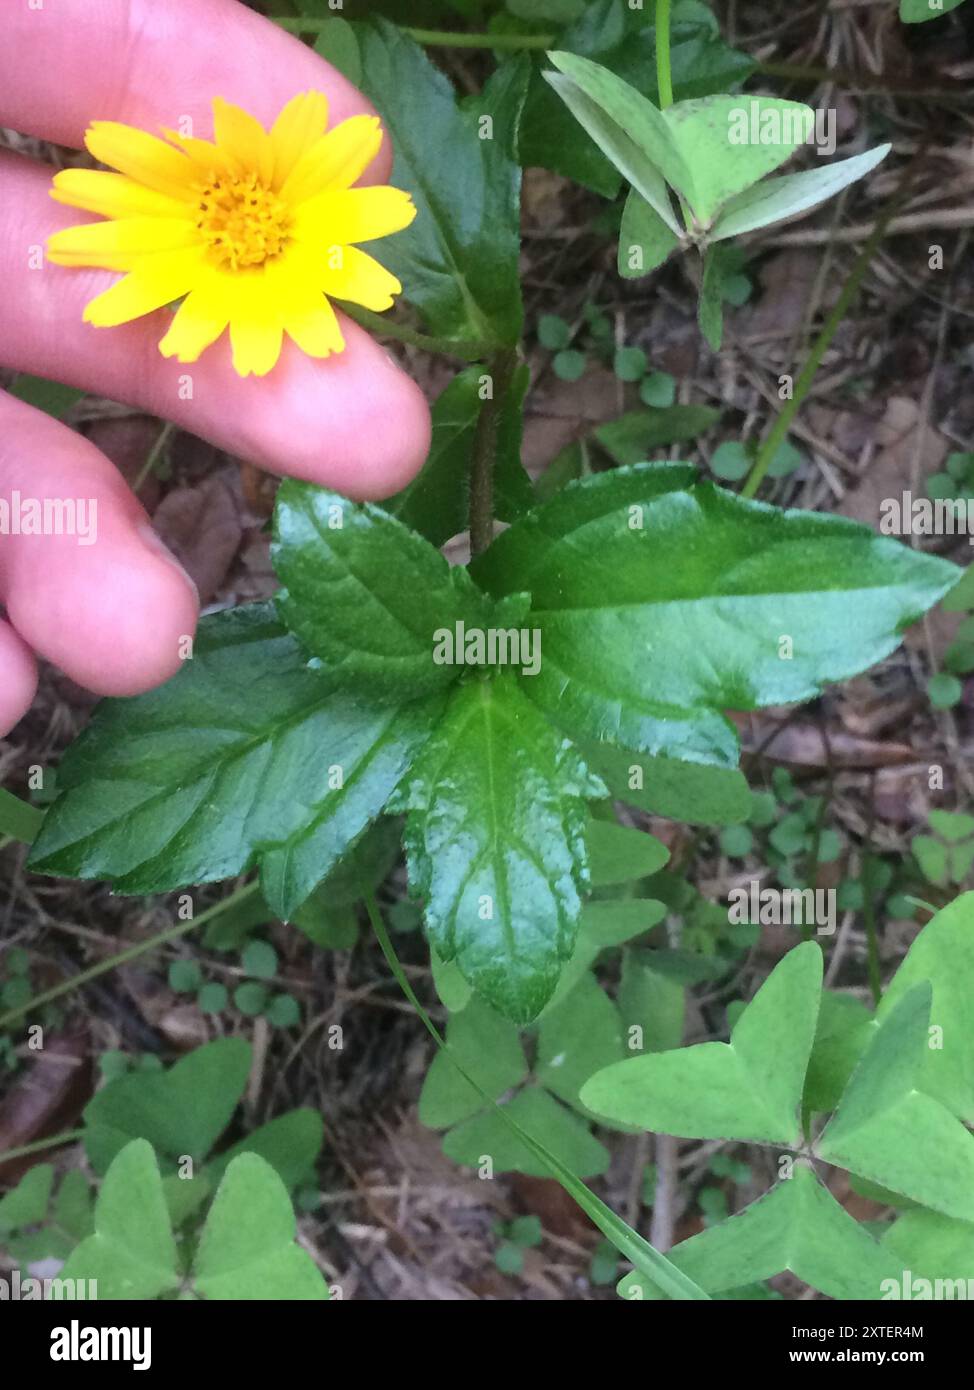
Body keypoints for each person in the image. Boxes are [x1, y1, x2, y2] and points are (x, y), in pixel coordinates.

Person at [0, 0, 431, 736]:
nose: (240, 222)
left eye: (244, 211)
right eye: (227, 216)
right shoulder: (187, 207)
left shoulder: (291, 192)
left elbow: (336, 198)